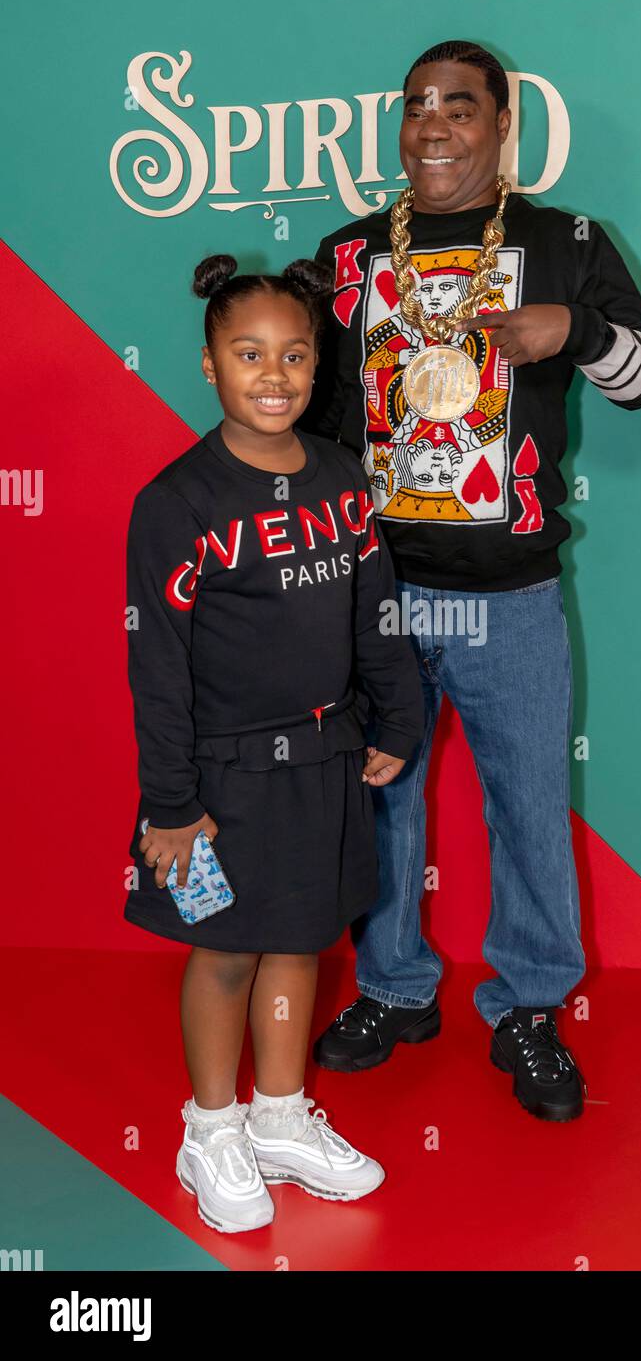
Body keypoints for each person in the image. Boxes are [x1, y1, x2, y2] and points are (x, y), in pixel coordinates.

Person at [303, 40, 641, 1122]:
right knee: (379, 802)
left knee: (528, 809)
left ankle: (529, 1007)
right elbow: (313, 419)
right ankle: (392, 987)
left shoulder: (562, 243)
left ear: (501, 124)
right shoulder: (347, 255)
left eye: (459, 108)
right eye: (417, 107)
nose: (433, 127)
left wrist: (579, 331)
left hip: (508, 592)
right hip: (375, 591)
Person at [123, 254, 424, 1232]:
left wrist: (398, 715)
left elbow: (375, 611)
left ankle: (281, 1115)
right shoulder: (176, 503)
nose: (273, 374)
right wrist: (171, 803)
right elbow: (157, 666)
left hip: (325, 760)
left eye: (294, 355)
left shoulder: (342, 476)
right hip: (219, 780)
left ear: (317, 363)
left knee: (301, 938)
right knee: (224, 951)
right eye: (248, 353)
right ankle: (211, 1130)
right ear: (209, 364)